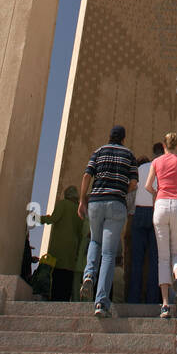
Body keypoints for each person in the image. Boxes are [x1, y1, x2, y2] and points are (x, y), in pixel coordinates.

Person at [78, 125, 138, 317]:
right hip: (116, 204)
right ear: (124, 138)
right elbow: (134, 183)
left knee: (95, 241)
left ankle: (88, 275)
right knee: (109, 254)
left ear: (109, 136)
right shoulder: (129, 155)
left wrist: (82, 200)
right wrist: (121, 191)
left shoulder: (99, 151)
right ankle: (101, 302)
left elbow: (87, 175)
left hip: (95, 202)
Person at [145, 132, 177, 318]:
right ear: (176, 145)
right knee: (176, 253)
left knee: (163, 257)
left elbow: (148, 185)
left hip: (161, 205)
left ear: (164, 146)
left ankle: (165, 304)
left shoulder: (156, 162)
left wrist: (157, 194)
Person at [127, 144, 163, 303]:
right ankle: (152, 299)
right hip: (157, 212)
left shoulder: (140, 169)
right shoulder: (163, 169)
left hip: (139, 213)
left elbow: (132, 190)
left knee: (137, 259)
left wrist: (131, 211)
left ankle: (133, 298)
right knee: (156, 260)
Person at [35, 185, 83, 301]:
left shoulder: (63, 204)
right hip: (72, 250)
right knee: (67, 279)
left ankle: (55, 300)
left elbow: (53, 219)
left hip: (59, 249)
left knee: (57, 276)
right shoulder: (79, 210)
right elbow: (80, 232)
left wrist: (37, 218)